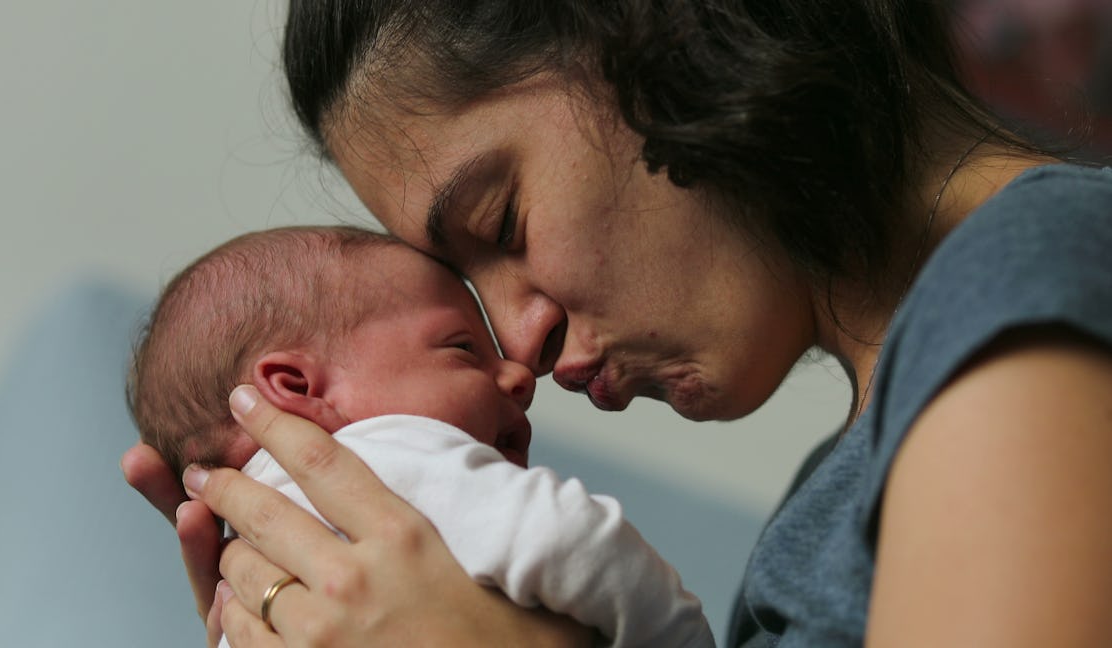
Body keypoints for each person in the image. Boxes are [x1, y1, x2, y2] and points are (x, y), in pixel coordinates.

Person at [121, 1, 1112, 645]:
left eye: (500, 223)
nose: (517, 345)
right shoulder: (859, 458)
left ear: (659, 28)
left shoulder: (1025, 282)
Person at [126, 225, 714, 648]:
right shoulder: (388, 449)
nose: (518, 376)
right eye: (462, 348)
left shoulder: (241, 595)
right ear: (296, 386)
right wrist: (676, 630)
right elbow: (568, 539)